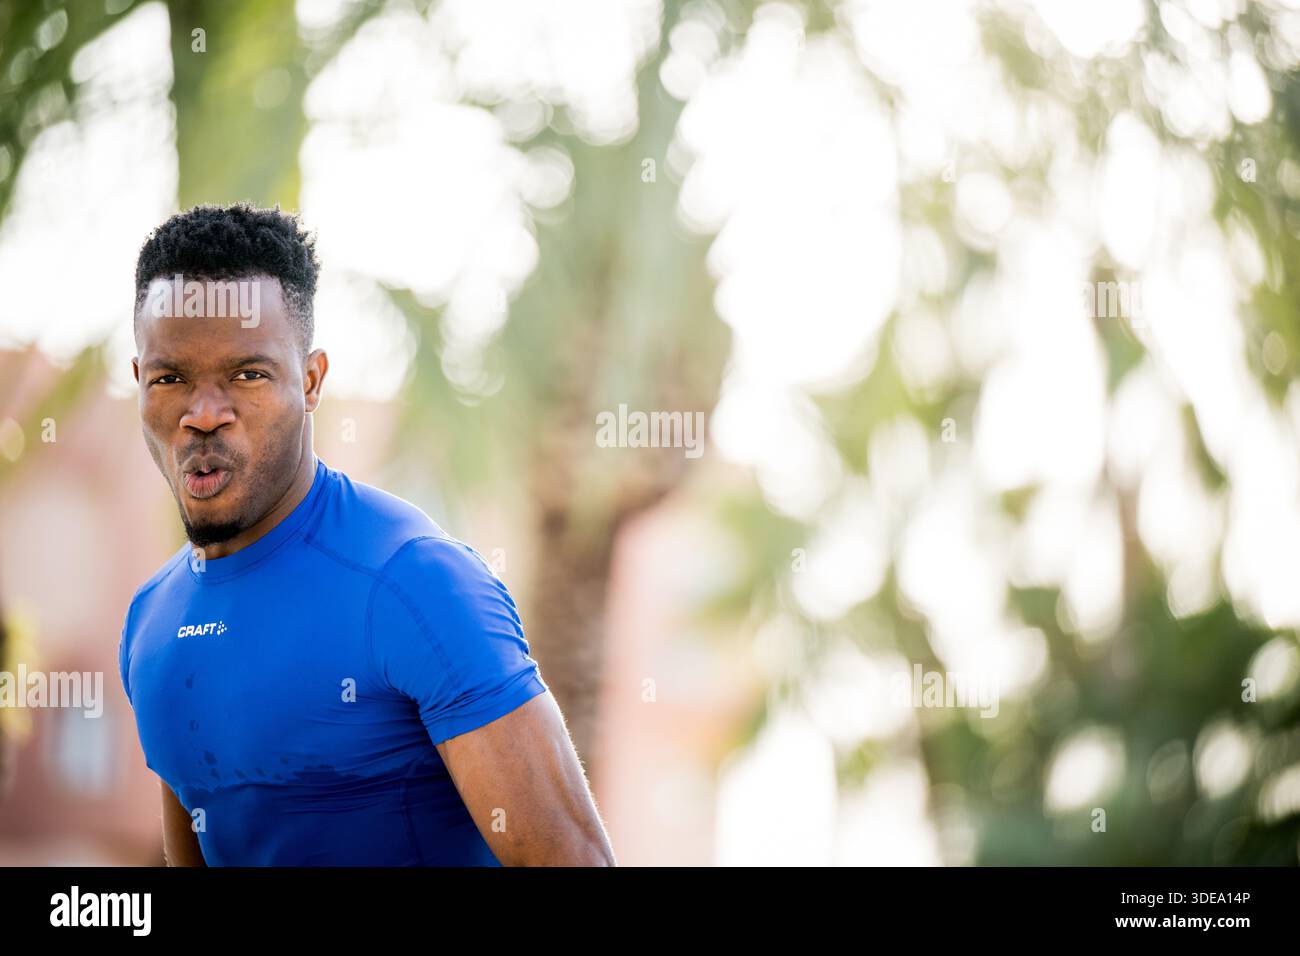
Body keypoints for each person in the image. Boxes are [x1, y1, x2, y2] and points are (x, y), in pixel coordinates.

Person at [119, 202, 615, 866]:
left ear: (313, 381)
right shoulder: (150, 624)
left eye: (249, 374)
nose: (204, 415)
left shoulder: (415, 583)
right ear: (140, 385)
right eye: (171, 378)